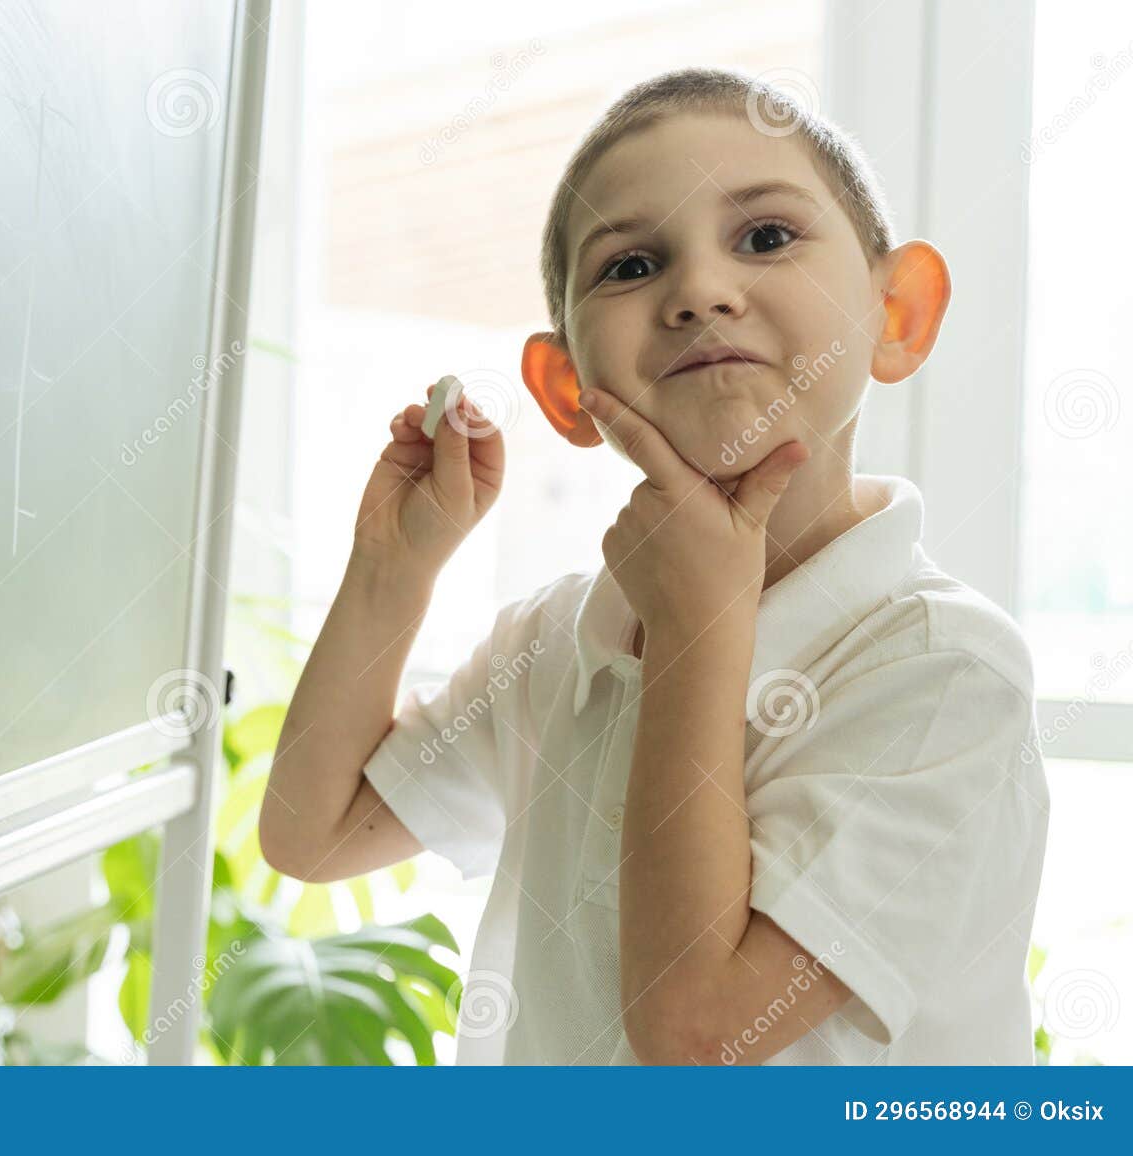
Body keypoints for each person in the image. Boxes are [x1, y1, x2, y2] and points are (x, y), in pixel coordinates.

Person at [258, 67, 1049, 1065]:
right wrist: (392, 567)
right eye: (630, 265)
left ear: (895, 313)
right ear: (564, 388)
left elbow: (699, 1031)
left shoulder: (945, 670)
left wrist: (698, 629)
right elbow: (314, 834)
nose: (699, 293)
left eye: (765, 236)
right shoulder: (552, 641)